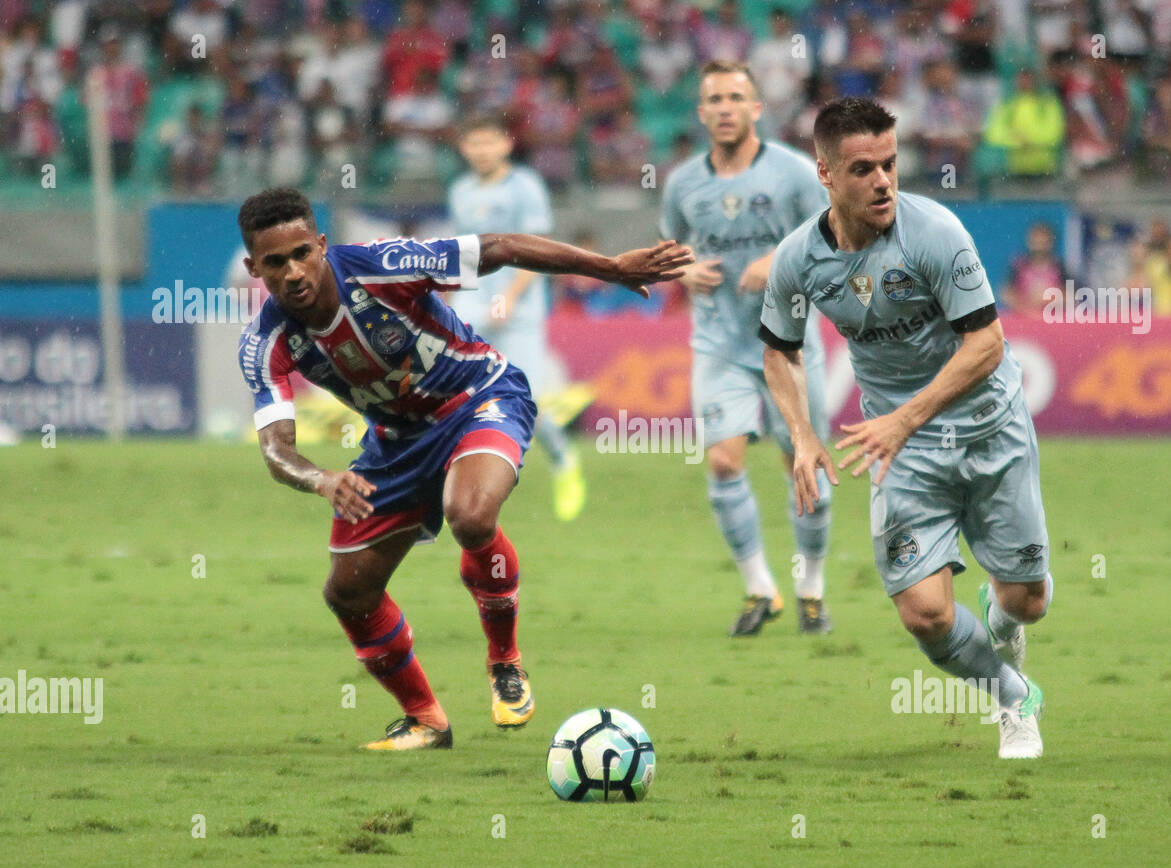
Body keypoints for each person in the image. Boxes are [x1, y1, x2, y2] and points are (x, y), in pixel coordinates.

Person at [236, 187, 689, 750]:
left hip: (479, 397)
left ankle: (504, 659)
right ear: (255, 268)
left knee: (469, 517)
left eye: (302, 253)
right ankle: (426, 720)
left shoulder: (382, 267)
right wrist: (323, 479)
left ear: (322, 245)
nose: (294, 272)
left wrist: (610, 268)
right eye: (275, 263)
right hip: (397, 442)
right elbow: (276, 449)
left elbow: (498, 246)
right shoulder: (265, 343)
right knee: (348, 592)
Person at [760, 98, 1052, 759]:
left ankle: (1005, 618)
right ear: (826, 174)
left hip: (989, 431)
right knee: (924, 613)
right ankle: (1014, 701)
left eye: (890, 163)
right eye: (863, 168)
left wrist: (904, 416)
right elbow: (779, 347)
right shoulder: (798, 260)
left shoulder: (935, 233)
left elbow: (987, 344)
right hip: (904, 453)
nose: (884, 180)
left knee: (1028, 601)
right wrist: (803, 433)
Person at [658, 60, 834, 637]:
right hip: (719, 343)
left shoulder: (795, 173)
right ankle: (762, 588)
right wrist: (683, 270)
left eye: (737, 96)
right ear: (702, 112)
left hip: (790, 344)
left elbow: (834, 238)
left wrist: (777, 260)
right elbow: (672, 247)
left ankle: (810, 589)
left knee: (801, 469)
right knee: (723, 460)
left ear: (757, 108)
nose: (726, 107)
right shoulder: (684, 182)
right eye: (715, 98)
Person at [447, 114, 589, 522]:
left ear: (506, 145)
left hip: (520, 306)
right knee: (457, 393)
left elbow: (538, 248)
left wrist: (509, 296)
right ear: (464, 149)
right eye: (475, 143)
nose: (482, 151)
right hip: (474, 303)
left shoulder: (526, 186)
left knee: (525, 398)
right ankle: (461, 479)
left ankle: (563, 459)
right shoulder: (460, 191)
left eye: (490, 142)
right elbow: (463, 254)